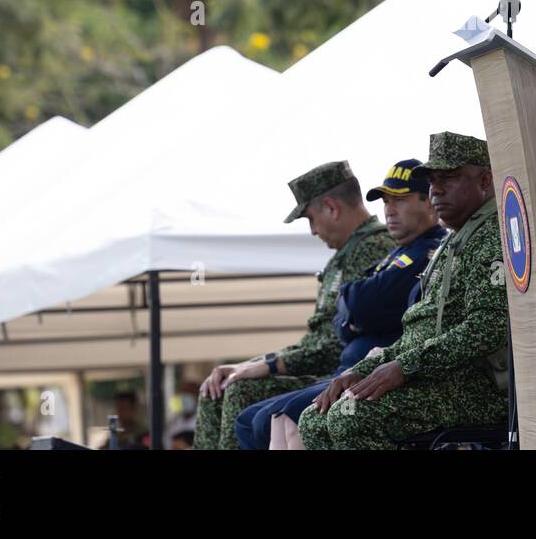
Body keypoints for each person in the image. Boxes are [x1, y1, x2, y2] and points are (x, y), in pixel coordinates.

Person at [297, 133, 509, 449]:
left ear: (485, 180)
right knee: (314, 418)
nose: (435, 189)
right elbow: (418, 333)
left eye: (447, 178)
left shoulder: (493, 235)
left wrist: (405, 367)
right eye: (432, 180)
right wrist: (360, 370)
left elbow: (487, 329)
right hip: (435, 379)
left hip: (475, 387)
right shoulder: (454, 241)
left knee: (351, 415)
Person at [235, 159, 445, 450]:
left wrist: (354, 312)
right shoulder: (396, 254)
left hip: (378, 375)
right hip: (350, 372)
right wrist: (353, 313)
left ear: (429, 202)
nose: (389, 210)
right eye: (386, 202)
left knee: (279, 417)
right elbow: (347, 311)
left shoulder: (428, 250)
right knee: (250, 418)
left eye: (400, 200)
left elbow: (364, 306)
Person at [193, 160, 394, 449]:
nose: (313, 231)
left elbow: (335, 344)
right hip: (329, 372)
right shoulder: (348, 254)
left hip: (345, 374)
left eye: (311, 218)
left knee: (239, 390)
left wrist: (270, 365)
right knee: (217, 388)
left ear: (332, 207)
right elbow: (317, 339)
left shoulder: (373, 248)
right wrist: (251, 364)